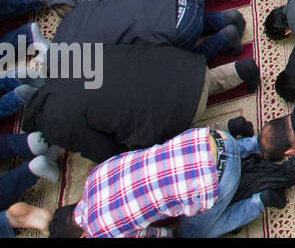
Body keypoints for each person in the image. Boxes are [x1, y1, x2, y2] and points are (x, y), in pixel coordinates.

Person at [51, 125, 295, 238]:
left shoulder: (102, 232)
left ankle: (259, 202)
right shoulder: (94, 176)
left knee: (193, 233)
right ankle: (251, 142)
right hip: (214, 137)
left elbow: (156, 235)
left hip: (217, 178)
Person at [22, 43, 259, 162]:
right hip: (183, 67)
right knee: (202, 83)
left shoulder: (57, 123)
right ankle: (239, 69)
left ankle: (229, 128)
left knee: (164, 146)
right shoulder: (69, 61)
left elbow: (105, 152)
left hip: (176, 111)